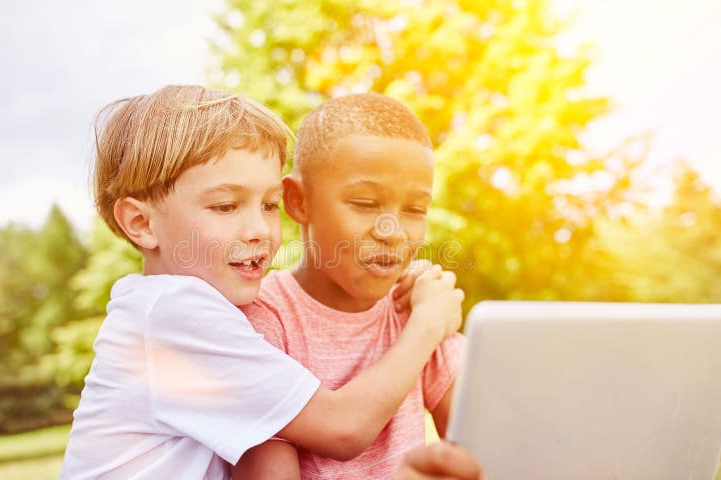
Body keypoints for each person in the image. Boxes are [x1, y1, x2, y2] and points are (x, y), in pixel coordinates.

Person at [59, 85, 470, 479]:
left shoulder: (189, 312)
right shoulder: (177, 314)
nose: (260, 229)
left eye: (269, 205)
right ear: (141, 223)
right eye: (225, 205)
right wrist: (428, 325)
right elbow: (343, 428)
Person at [236, 92, 465, 480]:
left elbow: (489, 455)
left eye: (414, 210)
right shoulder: (262, 321)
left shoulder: (418, 306)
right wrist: (427, 327)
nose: (392, 232)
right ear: (298, 201)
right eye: (364, 202)